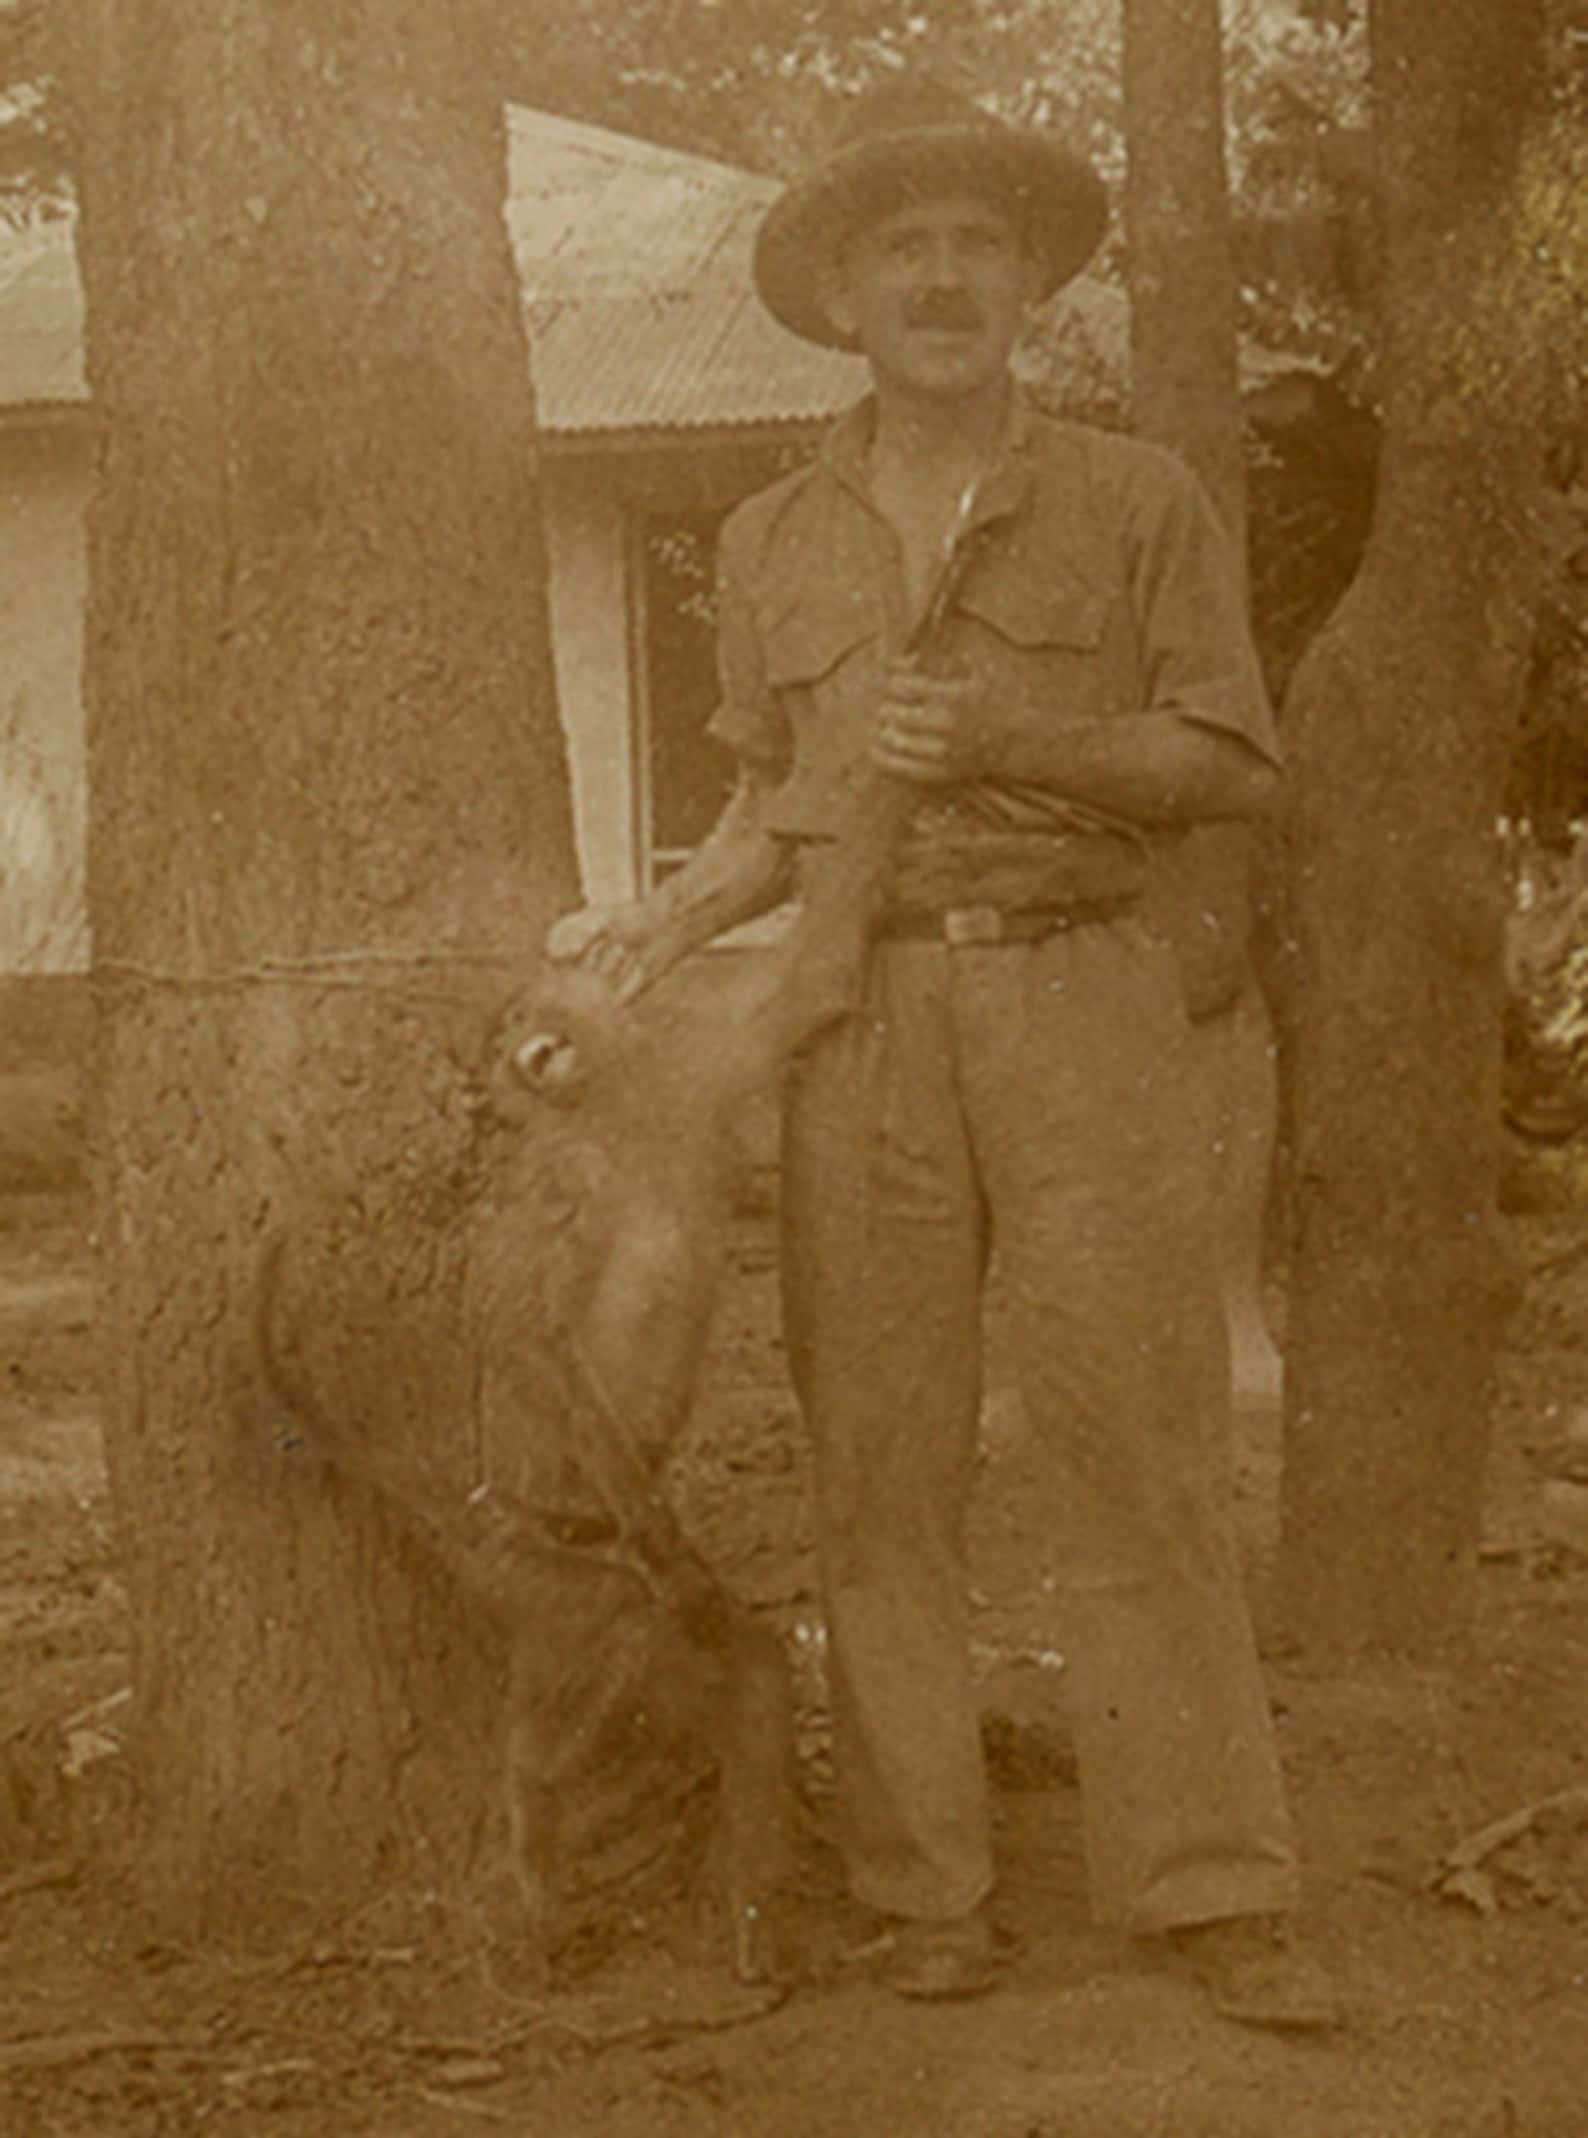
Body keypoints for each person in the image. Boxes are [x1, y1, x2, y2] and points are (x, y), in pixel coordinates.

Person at [549, 78, 1337, 2030]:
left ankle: (1206, 1884)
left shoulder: (1134, 499)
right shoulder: (765, 536)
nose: (939, 276)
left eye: (977, 243)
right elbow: (770, 812)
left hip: (1082, 1004)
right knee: (875, 1465)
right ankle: (925, 1887)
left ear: (1024, 283)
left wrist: (1011, 740)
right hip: (859, 1018)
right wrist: (656, 919)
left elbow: (1230, 765)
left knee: (1133, 1445)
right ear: (836, 291)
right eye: (899, 248)